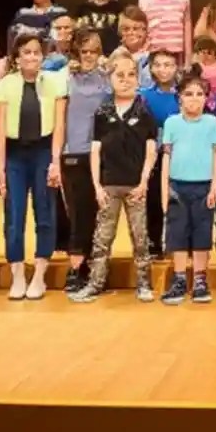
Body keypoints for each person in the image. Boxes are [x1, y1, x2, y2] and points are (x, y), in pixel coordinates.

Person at [76, 53, 159, 303]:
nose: (125, 80)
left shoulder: (144, 111)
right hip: (108, 184)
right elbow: (95, 150)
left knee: (140, 237)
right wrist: (97, 186)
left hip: (135, 185)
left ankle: (144, 283)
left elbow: (150, 149)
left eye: (131, 75)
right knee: (102, 237)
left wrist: (144, 180)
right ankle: (95, 282)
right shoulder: (103, 112)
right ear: (109, 78)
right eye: (119, 75)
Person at [0, 33, 68, 301]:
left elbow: (59, 125)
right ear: (17, 57)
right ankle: (17, 274)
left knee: (45, 213)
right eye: (26, 52)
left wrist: (55, 162)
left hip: (43, 151)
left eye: (37, 52)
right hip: (14, 154)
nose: (32, 57)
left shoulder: (55, 83)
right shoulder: (4, 84)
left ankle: (39, 274)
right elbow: (0, 129)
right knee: (14, 216)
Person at [159, 72, 216, 304]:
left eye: (199, 94)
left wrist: (215, 185)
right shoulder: (172, 123)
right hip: (177, 186)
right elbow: (167, 156)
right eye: (188, 94)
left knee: (202, 233)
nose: (194, 99)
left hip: (203, 186)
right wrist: (165, 187)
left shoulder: (211, 123)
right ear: (180, 98)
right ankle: (178, 279)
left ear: (206, 98)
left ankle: (200, 280)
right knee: (177, 232)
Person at [60, 29, 111, 295]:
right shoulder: (66, 77)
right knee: (79, 213)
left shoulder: (107, 78)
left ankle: (97, 267)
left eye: (93, 51)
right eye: (84, 51)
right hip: (75, 151)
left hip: (102, 153)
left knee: (101, 215)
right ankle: (76, 267)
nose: (89, 56)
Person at [141, 49, 181, 256]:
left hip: (182, 153)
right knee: (154, 198)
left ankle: (179, 242)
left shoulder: (183, 95)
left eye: (168, 65)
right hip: (154, 153)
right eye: (158, 65)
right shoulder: (145, 96)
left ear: (176, 68)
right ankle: (154, 242)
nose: (163, 70)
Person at [138, 0, 192, 65]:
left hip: (176, 54)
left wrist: (188, 59)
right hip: (152, 53)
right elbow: (140, 28)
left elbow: (187, 28)